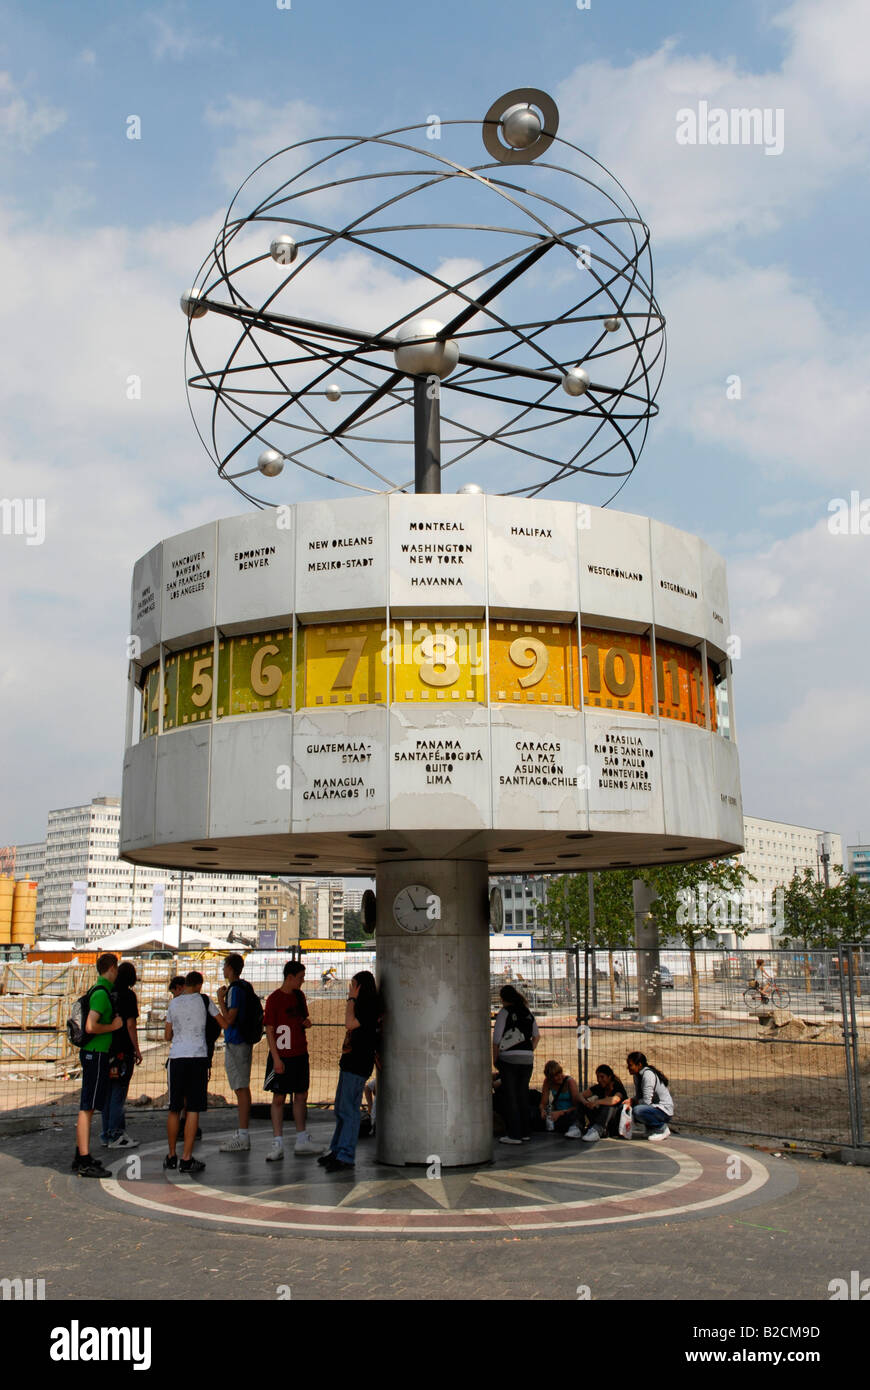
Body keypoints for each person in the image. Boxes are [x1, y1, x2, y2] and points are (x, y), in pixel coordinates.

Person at [321, 971, 382, 1172]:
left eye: (353, 985)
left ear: (360, 987)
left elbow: (349, 1023)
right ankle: (337, 1150)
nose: (350, 988)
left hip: (357, 1063)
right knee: (341, 1108)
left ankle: (345, 1155)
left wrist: (351, 999)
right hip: (350, 1062)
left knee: (349, 1110)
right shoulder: (366, 1005)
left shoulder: (367, 1006)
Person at [263, 960, 323, 1160]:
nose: (303, 981)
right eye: (300, 978)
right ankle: (277, 1141)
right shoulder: (274, 999)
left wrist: (305, 1023)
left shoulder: (299, 996)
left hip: (299, 1054)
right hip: (282, 1056)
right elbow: (270, 1030)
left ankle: (301, 1138)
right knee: (278, 1097)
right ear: (290, 977)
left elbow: (301, 1019)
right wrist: (276, 1059)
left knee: (301, 1095)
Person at [164, 971, 222, 1174]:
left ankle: (171, 1155)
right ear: (199, 985)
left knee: (174, 1108)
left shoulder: (174, 1003)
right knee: (193, 1109)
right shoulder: (205, 1001)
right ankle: (187, 1158)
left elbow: (167, 1034)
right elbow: (224, 1023)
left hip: (177, 1057)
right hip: (198, 1057)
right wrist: (222, 1000)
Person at [73, 954, 124, 1178]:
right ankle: (84, 1159)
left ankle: (81, 1155)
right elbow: (91, 1026)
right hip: (96, 1054)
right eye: (117, 969)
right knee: (87, 1107)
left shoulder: (97, 990)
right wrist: (113, 1026)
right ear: (112, 969)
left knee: (89, 1105)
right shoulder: (102, 994)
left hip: (95, 1054)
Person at [99, 960, 142, 1150]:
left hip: (106, 1049)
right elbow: (131, 1025)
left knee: (108, 1095)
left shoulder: (107, 993)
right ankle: (116, 1134)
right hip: (123, 1051)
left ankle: (107, 1134)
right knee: (118, 1094)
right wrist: (137, 1049)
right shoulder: (129, 996)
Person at [492, 985, 540, 1144]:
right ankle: (525, 1131)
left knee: (510, 1095)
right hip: (527, 1059)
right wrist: (528, 1049)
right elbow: (536, 1036)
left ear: (503, 998)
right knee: (522, 1093)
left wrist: (496, 1058)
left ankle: (514, 1134)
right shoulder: (527, 1013)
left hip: (509, 1059)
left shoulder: (504, 1013)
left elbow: (497, 1039)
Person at [217, 953, 254, 1153]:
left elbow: (229, 1018)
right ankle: (243, 1133)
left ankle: (243, 1134)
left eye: (224, 967)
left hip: (237, 1041)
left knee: (240, 1088)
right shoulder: (245, 987)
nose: (223, 970)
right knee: (243, 1087)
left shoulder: (234, 991)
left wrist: (219, 1000)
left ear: (230, 968)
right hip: (243, 1041)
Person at [568, 1064, 628, 1142]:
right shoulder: (599, 1087)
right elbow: (580, 1095)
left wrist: (597, 1102)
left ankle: (598, 1130)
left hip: (612, 1124)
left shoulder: (617, 1087)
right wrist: (586, 1103)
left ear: (609, 1077)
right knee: (581, 1103)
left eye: (602, 1077)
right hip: (599, 1118)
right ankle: (578, 1126)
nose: (599, 1080)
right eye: (598, 1077)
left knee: (609, 1106)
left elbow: (615, 1100)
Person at [624, 1051, 674, 1141]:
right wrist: (631, 1101)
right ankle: (651, 1129)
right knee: (630, 1108)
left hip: (663, 1110)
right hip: (654, 1108)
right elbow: (640, 1096)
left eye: (630, 1065)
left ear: (639, 1065)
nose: (628, 1068)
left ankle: (662, 1129)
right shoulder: (637, 1075)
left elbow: (647, 1102)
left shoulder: (648, 1075)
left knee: (637, 1111)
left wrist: (633, 1102)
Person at [540, 1060, 582, 1134]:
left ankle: (575, 1127)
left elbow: (577, 1106)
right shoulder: (548, 1082)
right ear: (550, 1078)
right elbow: (543, 1103)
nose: (560, 1077)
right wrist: (542, 1110)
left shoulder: (570, 1082)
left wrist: (561, 1112)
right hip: (557, 1114)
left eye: (560, 1073)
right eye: (556, 1075)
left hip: (570, 1114)